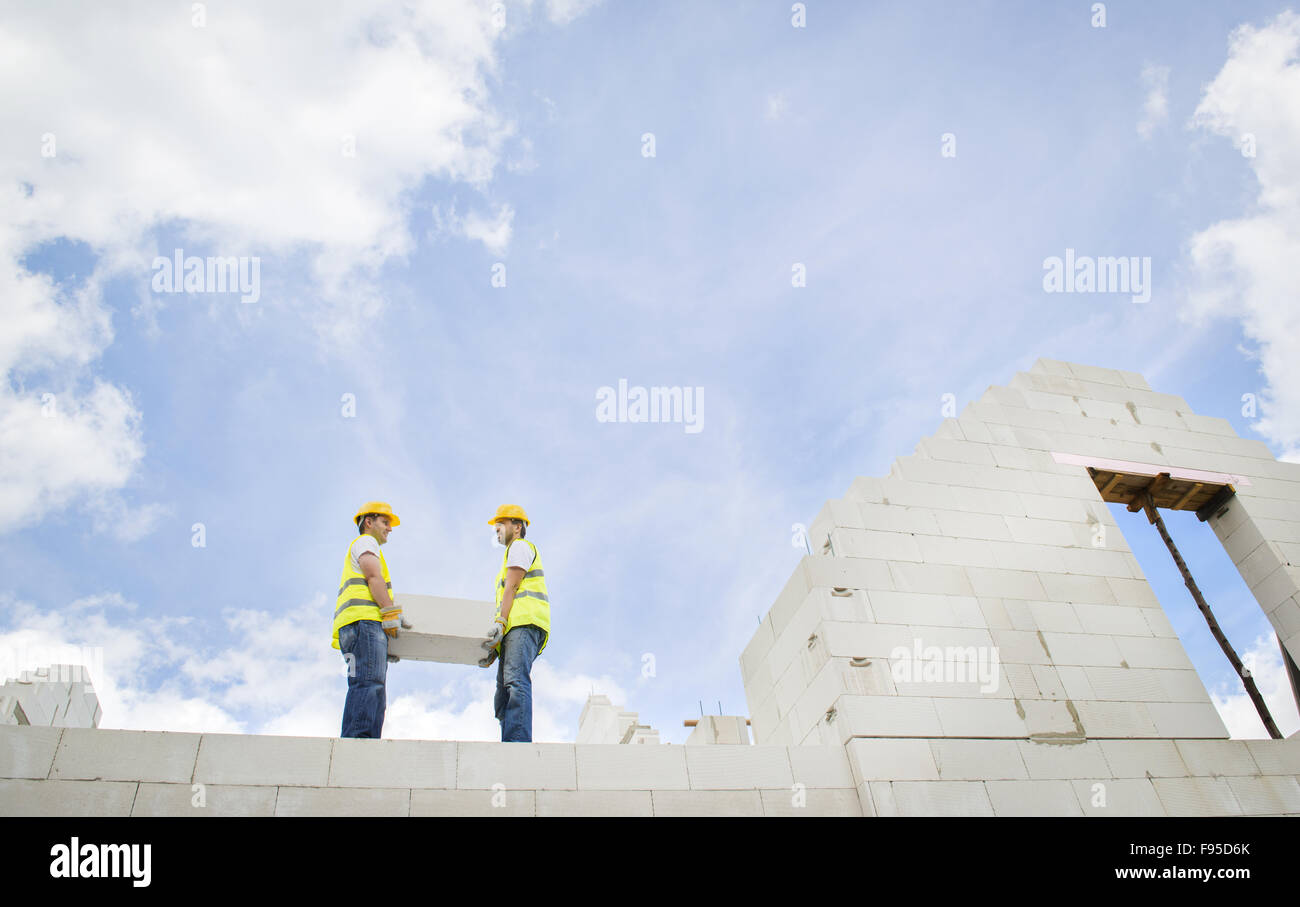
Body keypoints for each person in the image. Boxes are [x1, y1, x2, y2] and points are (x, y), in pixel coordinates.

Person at [333, 501, 408, 738]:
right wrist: (389, 611)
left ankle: (363, 741)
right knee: (370, 684)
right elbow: (373, 576)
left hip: (356, 627)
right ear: (369, 522)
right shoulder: (367, 543)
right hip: (364, 624)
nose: (390, 528)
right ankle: (360, 743)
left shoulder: (365, 545)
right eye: (385, 522)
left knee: (367, 684)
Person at [481, 505, 550, 742]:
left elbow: (512, 587)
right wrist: (497, 645)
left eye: (500, 524)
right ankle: (509, 743)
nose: (496, 529)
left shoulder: (519, 547)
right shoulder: (511, 552)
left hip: (524, 623)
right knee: (502, 697)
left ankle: (517, 745)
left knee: (515, 683)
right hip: (514, 628)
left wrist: (500, 622)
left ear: (517, 526)